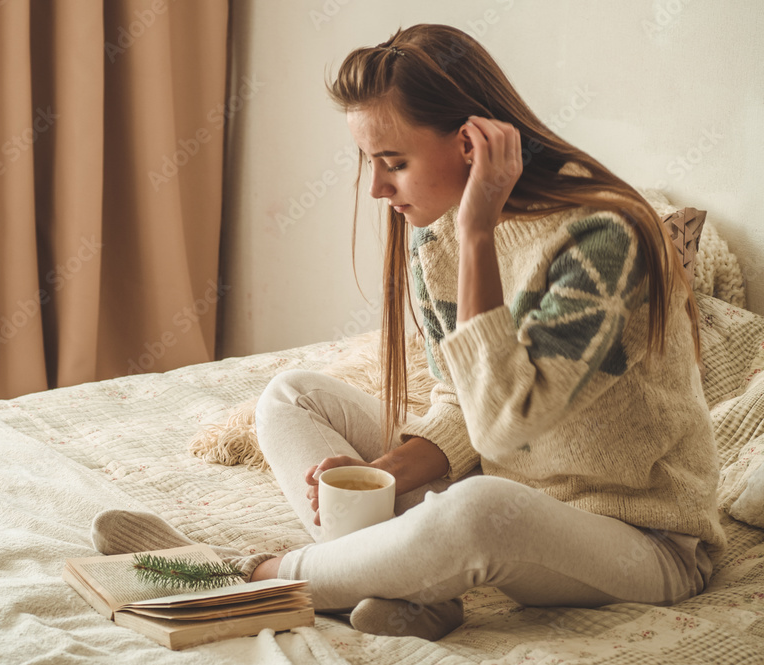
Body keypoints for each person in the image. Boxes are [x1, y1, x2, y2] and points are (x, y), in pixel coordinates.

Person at [92, 24, 726, 641]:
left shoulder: (602, 240)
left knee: (476, 511)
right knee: (293, 397)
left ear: (471, 146)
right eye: (370, 162)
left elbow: (505, 423)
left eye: (393, 162)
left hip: (643, 541)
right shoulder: (437, 236)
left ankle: (247, 576)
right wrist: (376, 475)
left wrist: (479, 231)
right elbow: (460, 404)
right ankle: (405, 591)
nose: (375, 188)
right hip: (509, 488)